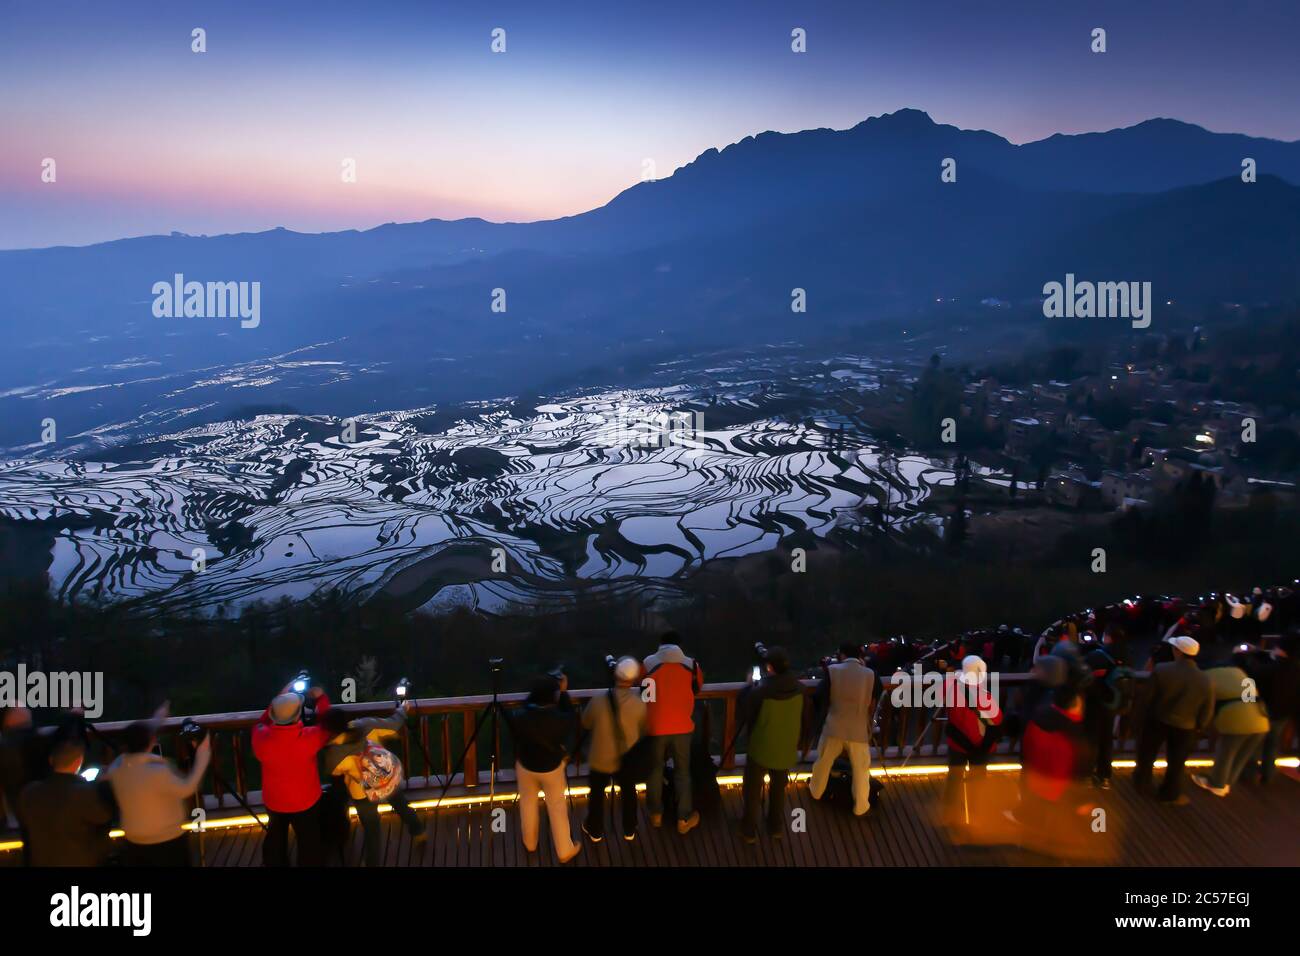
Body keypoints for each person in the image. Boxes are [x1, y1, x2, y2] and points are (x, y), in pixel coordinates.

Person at [319, 701, 427, 866]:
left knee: (372, 829)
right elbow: (393, 724)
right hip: (386, 779)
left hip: (362, 792)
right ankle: (419, 831)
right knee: (401, 805)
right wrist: (402, 709)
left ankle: (372, 862)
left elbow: (334, 773)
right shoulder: (365, 725)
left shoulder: (333, 755)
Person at [104, 702, 212, 866]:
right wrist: (203, 753)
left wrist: (157, 719)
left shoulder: (118, 767)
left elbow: (139, 739)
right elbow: (187, 788)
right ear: (151, 741)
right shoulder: (156, 772)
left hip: (134, 840)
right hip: (167, 841)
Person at [251, 683, 332, 866]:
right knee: (309, 843)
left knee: (276, 841)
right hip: (306, 801)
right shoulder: (310, 737)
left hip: (275, 801)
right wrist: (321, 698)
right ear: (298, 715)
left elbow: (260, 723)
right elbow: (327, 726)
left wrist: (279, 699)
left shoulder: (261, 739)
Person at [506, 674, 581, 863]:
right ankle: (564, 850)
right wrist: (563, 692)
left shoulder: (521, 717)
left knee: (528, 803)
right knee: (556, 806)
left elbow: (518, 727)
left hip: (526, 765)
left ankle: (529, 842)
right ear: (551, 697)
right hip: (551, 767)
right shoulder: (559, 720)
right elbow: (571, 716)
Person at [1134, 635, 1213, 804]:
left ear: (1177, 651)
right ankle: (1169, 794)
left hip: (1158, 720)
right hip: (1186, 726)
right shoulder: (1204, 678)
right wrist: (1200, 726)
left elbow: (1147, 698)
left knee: (1147, 754)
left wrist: (1140, 718)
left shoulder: (1162, 669)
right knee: (1177, 762)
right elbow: (1207, 708)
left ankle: (1142, 784)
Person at [737, 646, 803, 844]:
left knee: (752, 790)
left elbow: (744, 713)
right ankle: (775, 827)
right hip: (786, 747)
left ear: (769, 668)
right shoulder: (800, 689)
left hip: (761, 747)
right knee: (778, 789)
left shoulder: (761, 692)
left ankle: (749, 830)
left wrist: (749, 687)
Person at [18, 736, 115, 867]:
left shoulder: (29, 792)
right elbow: (104, 818)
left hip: (40, 860)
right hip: (78, 861)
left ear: (51, 760)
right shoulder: (85, 793)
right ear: (78, 762)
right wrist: (105, 787)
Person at [581, 657, 647, 843]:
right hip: (626, 758)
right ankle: (629, 828)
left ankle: (595, 830)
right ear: (633, 680)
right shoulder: (639, 705)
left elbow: (585, 722)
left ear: (615, 674)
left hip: (600, 757)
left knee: (596, 795)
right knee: (628, 793)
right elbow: (643, 728)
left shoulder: (598, 700)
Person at [642, 634, 704, 835]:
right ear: (680, 645)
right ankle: (683, 818)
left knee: (654, 770)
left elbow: (646, 695)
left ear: (660, 644)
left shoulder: (649, 663)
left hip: (656, 726)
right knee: (683, 773)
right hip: (682, 727)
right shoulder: (692, 665)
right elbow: (698, 687)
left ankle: (655, 814)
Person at [809, 642, 875, 817]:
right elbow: (876, 693)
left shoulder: (833, 671)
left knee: (823, 762)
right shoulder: (869, 674)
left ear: (842, 655)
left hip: (834, 726)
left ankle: (816, 791)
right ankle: (861, 806)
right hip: (858, 729)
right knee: (861, 770)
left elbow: (818, 695)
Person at [1192, 658, 1270, 797]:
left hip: (1236, 720)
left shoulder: (1205, 676)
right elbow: (1250, 696)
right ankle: (1227, 783)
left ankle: (1217, 785)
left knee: (1226, 753)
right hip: (1261, 720)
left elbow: (1203, 702)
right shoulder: (1239, 672)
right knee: (1241, 756)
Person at [942, 655, 1003, 822]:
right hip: (980, 746)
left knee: (954, 776)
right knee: (977, 779)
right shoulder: (986, 697)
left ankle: (949, 810)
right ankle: (976, 809)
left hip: (957, 743)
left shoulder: (950, 689)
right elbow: (997, 721)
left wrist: (953, 674)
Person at [1083, 625, 1131, 788]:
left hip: (1095, 704)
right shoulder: (1128, 655)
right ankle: (1104, 777)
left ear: (1108, 637)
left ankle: (1087, 775)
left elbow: (1084, 677)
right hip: (1114, 704)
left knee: (1091, 740)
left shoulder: (1097, 656)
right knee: (1107, 739)